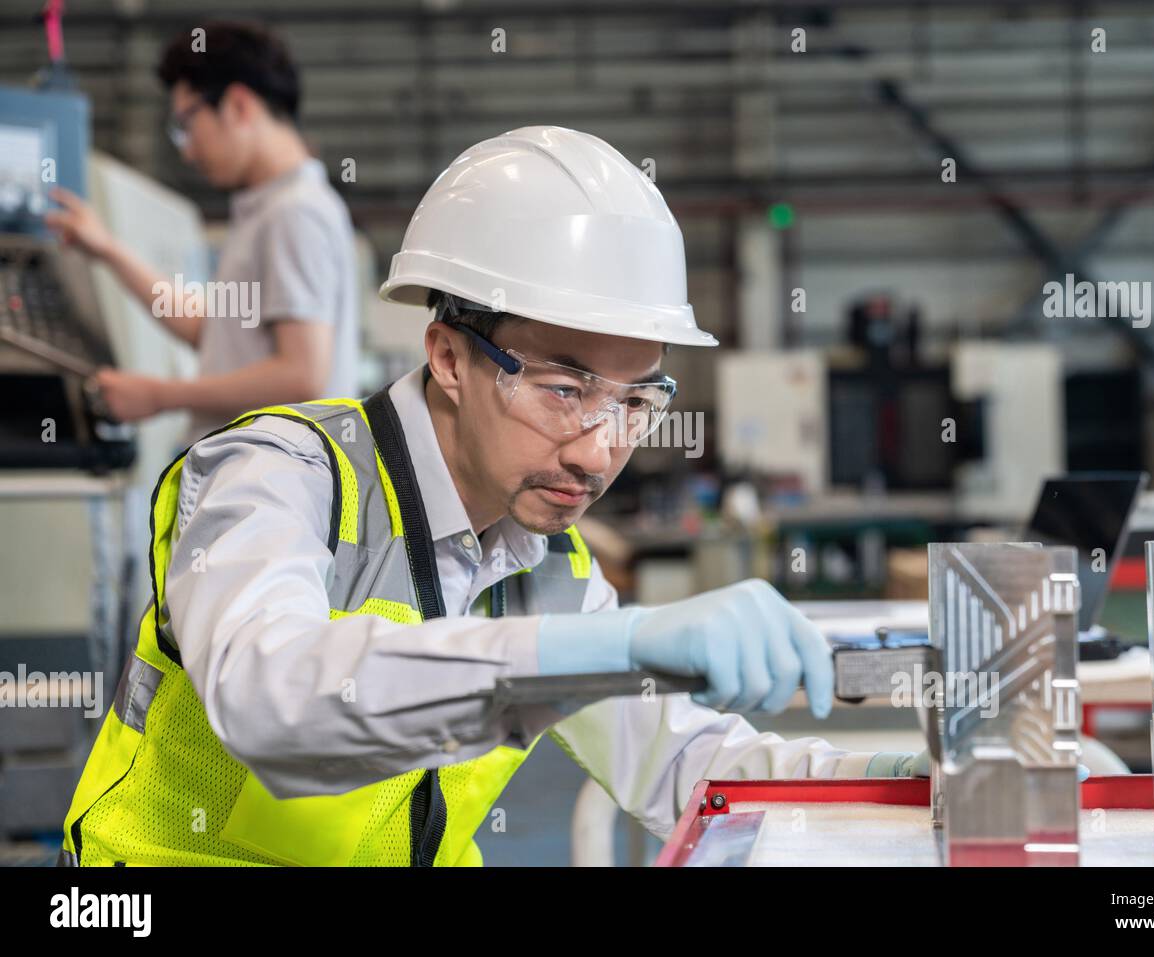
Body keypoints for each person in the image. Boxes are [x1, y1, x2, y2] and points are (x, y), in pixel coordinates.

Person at [59, 126, 926, 868]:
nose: (599, 449)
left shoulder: (543, 555)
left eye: (635, 402)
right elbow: (271, 699)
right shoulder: (281, 475)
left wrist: (902, 796)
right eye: (562, 388)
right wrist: (597, 646)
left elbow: (687, 764)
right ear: (446, 356)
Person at [45, 21, 358, 443]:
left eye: (186, 124)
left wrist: (161, 396)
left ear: (238, 106)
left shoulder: (296, 212)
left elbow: (301, 374)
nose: (188, 151)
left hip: (275, 487)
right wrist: (108, 251)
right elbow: (210, 330)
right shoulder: (266, 211)